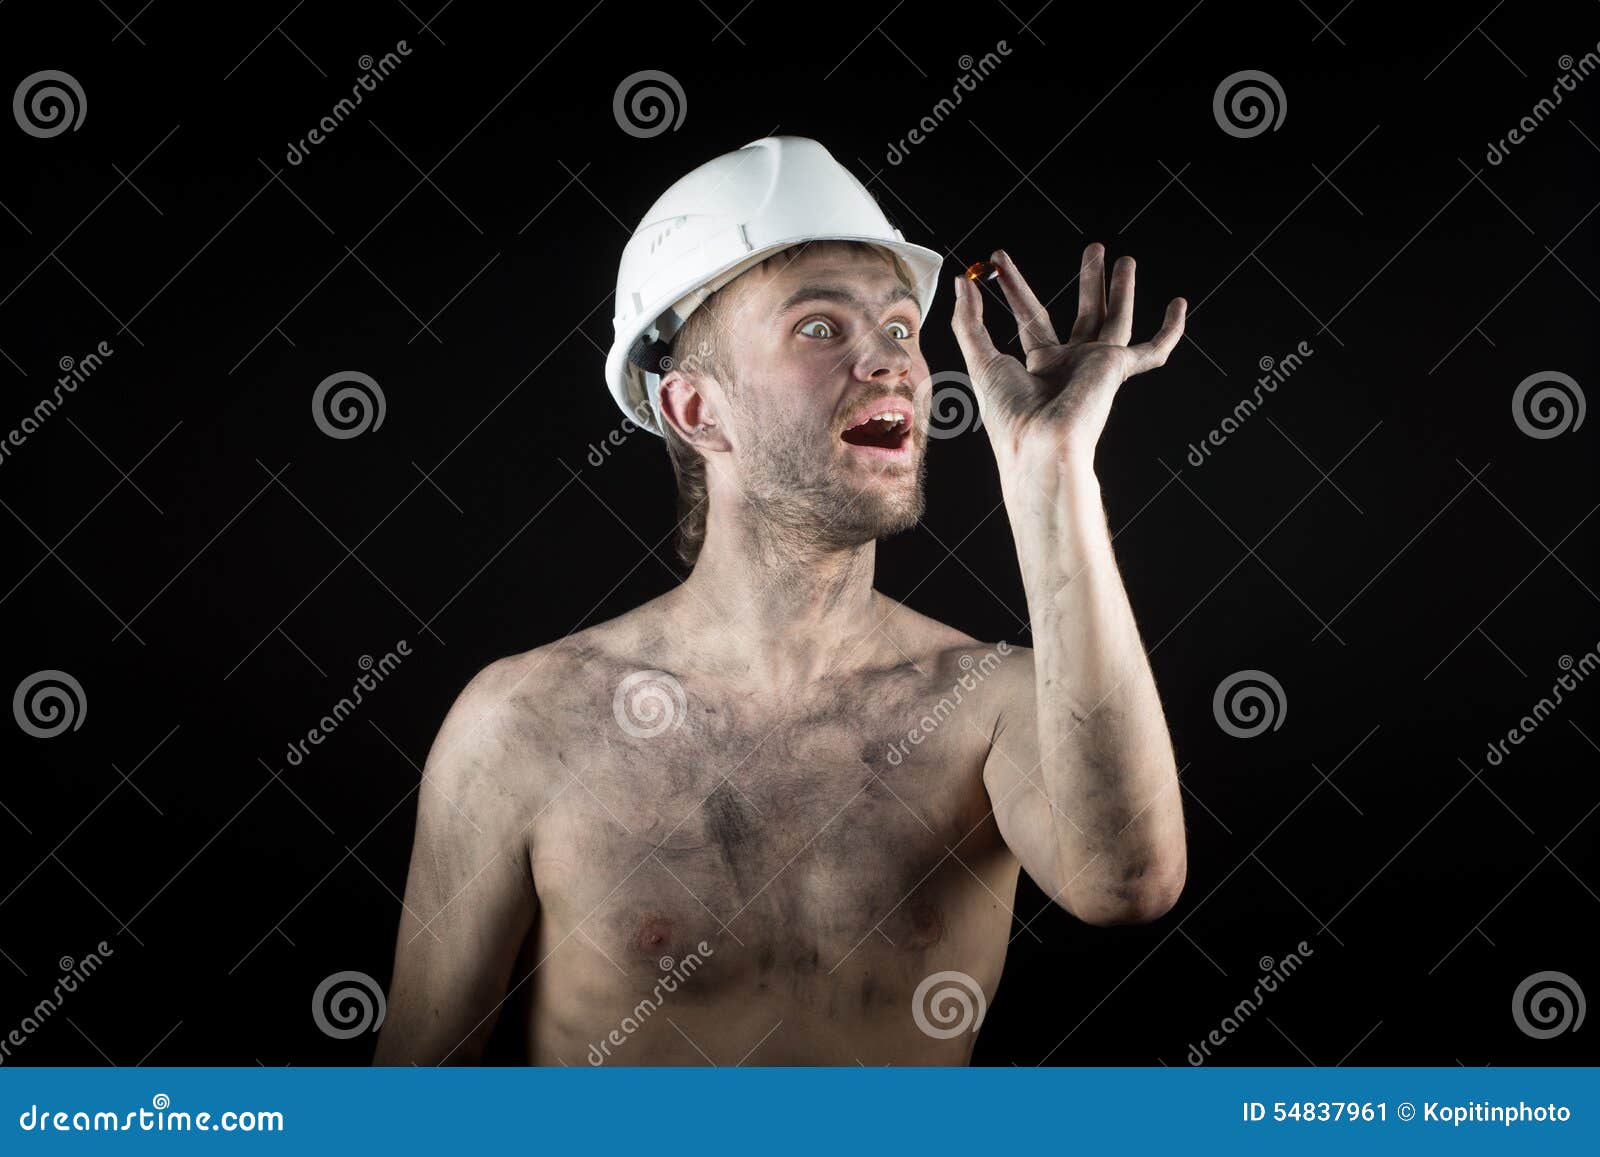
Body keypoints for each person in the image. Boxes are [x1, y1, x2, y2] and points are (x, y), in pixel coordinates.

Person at [374, 135, 1188, 1065]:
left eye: (896, 329)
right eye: (818, 327)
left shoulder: (990, 708)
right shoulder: (523, 724)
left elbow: (1127, 882)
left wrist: (1052, 472)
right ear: (694, 411)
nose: (891, 364)